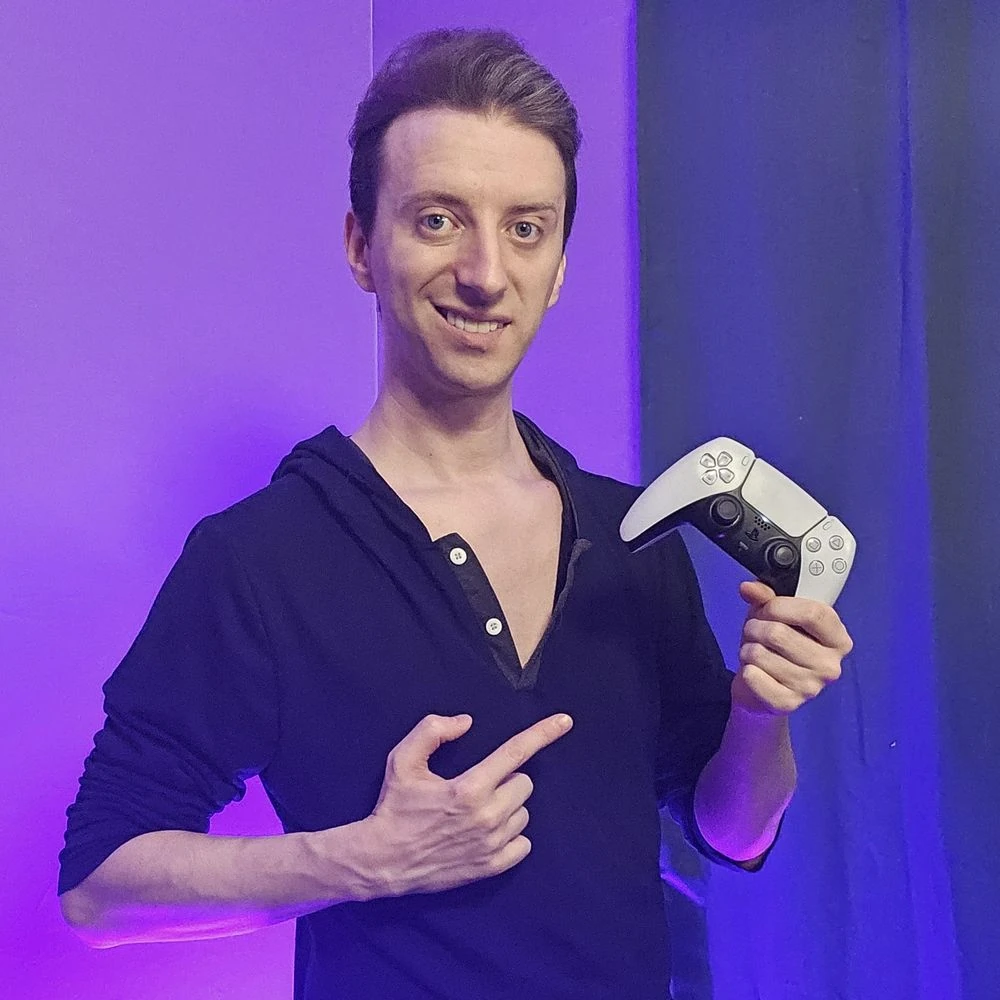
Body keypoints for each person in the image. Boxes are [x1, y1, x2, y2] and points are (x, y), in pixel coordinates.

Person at [58, 28, 853, 1000]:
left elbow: (732, 830)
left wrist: (761, 715)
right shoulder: (261, 557)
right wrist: (361, 858)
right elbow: (99, 889)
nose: (485, 271)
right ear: (362, 246)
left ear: (558, 268)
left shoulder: (632, 542)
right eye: (438, 220)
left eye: (526, 228)